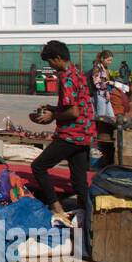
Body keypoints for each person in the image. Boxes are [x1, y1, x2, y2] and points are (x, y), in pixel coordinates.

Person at [28, 40, 95, 235]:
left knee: (38, 166)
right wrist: (54, 108)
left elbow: (73, 112)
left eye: (50, 62)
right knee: (79, 181)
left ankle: (56, 207)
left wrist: (52, 115)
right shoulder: (78, 73)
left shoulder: (66, 78)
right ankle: (89, 217)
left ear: (58, 59)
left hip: (71, 134)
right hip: (85, 133)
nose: (50, 66)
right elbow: (75, 105)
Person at [91, 50, 114, 119]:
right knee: (101, 117)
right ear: (102, 59)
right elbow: (96, 83)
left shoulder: (105, 68)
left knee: (111, 116)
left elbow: (103, 81)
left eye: (111, 60)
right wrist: (106, 87)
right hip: (100, 95)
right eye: (108, 60)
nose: (110, 62)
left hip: (105, 95)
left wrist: (109, 83)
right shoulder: (97, 68)